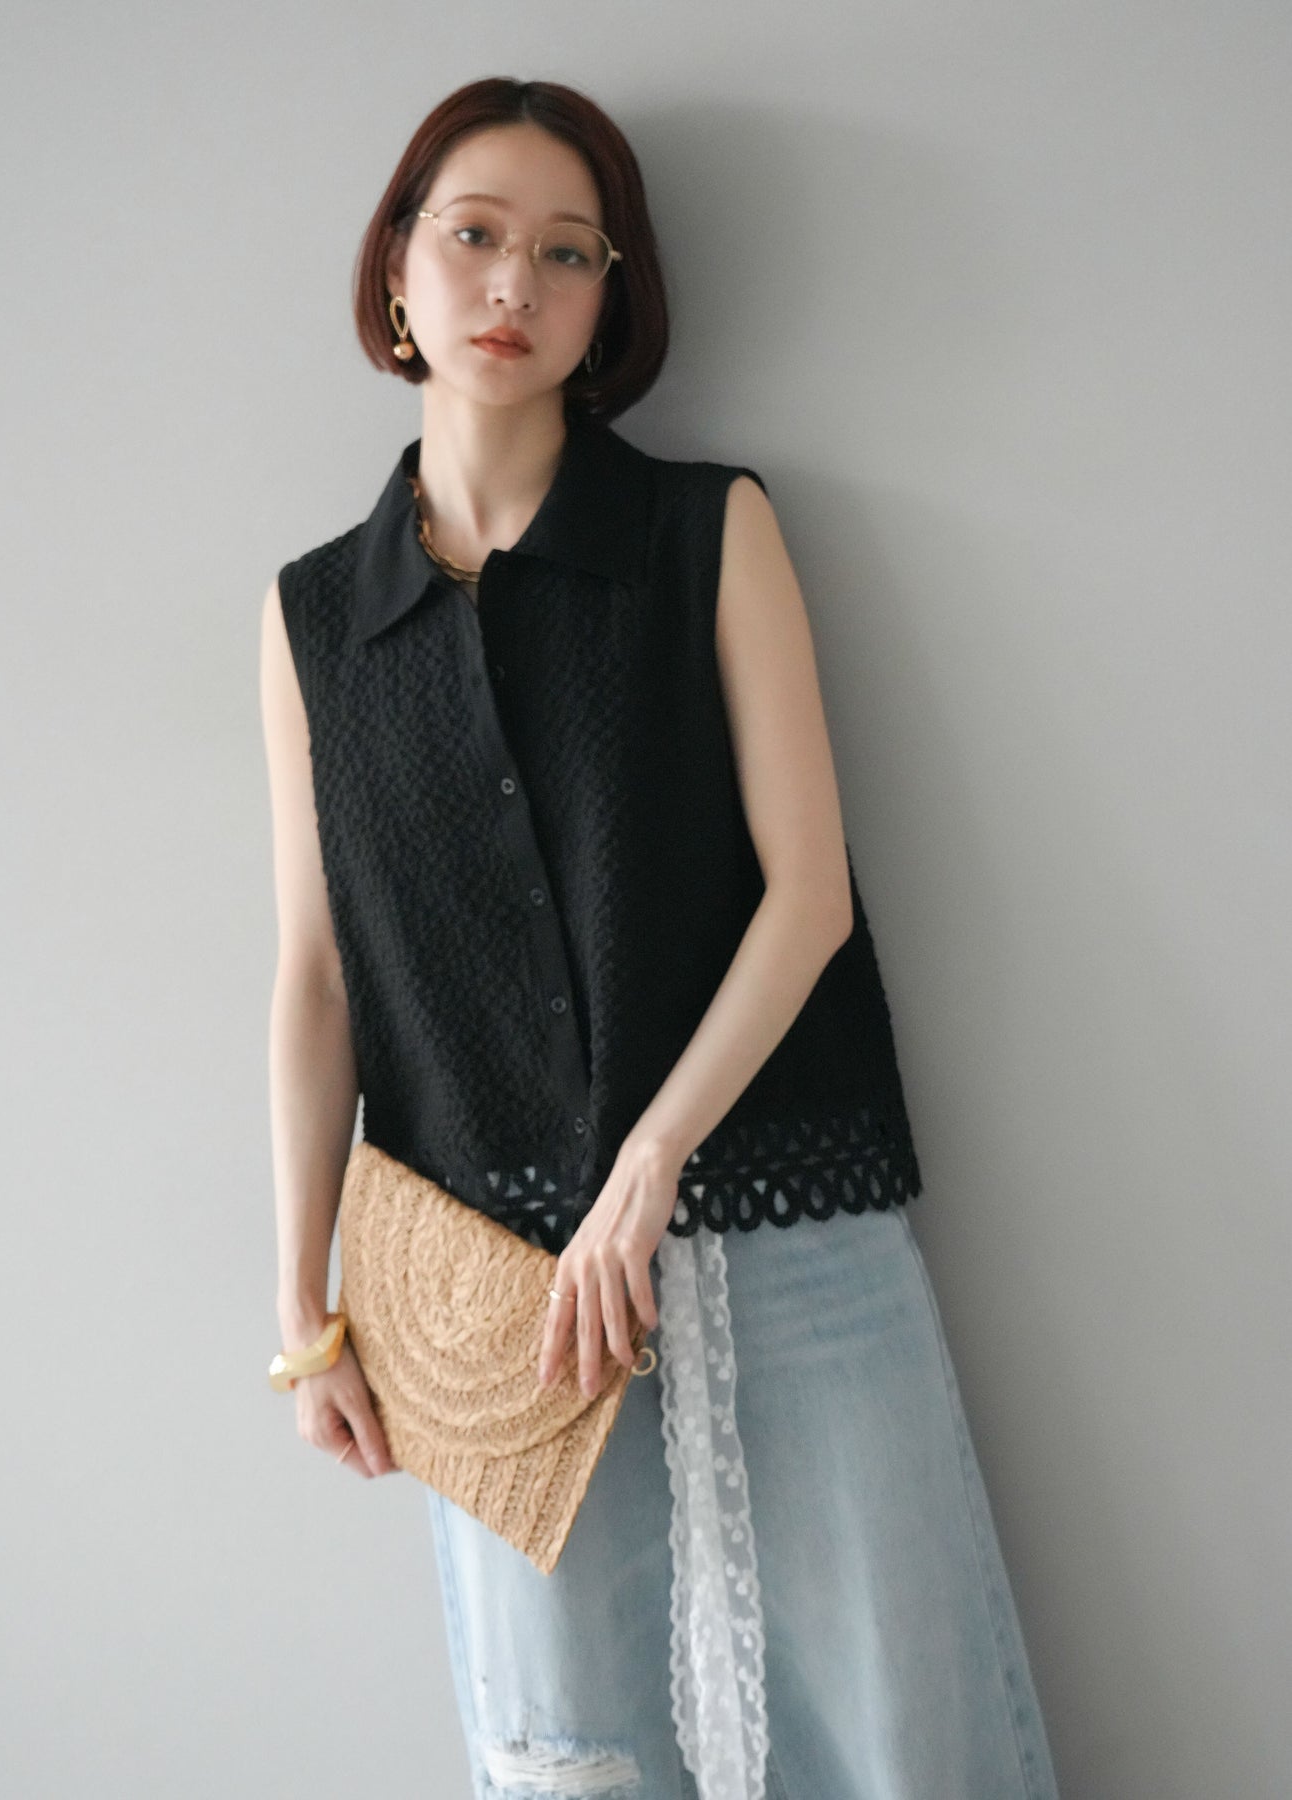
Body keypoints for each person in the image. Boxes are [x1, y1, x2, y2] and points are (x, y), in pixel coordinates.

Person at [261, 75, 1061, 1800]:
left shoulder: (708, 529)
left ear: (609, 299)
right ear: (395, 266)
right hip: (485, 1282)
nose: (514, 284)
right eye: (474, 235)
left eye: (568, 252)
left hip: (779, 1210)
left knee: (900, 1722)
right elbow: (318, 976)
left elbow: (807, 891)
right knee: (573, 1753)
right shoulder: (317, 617)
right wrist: (303, 1309)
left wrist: (651, 1160)